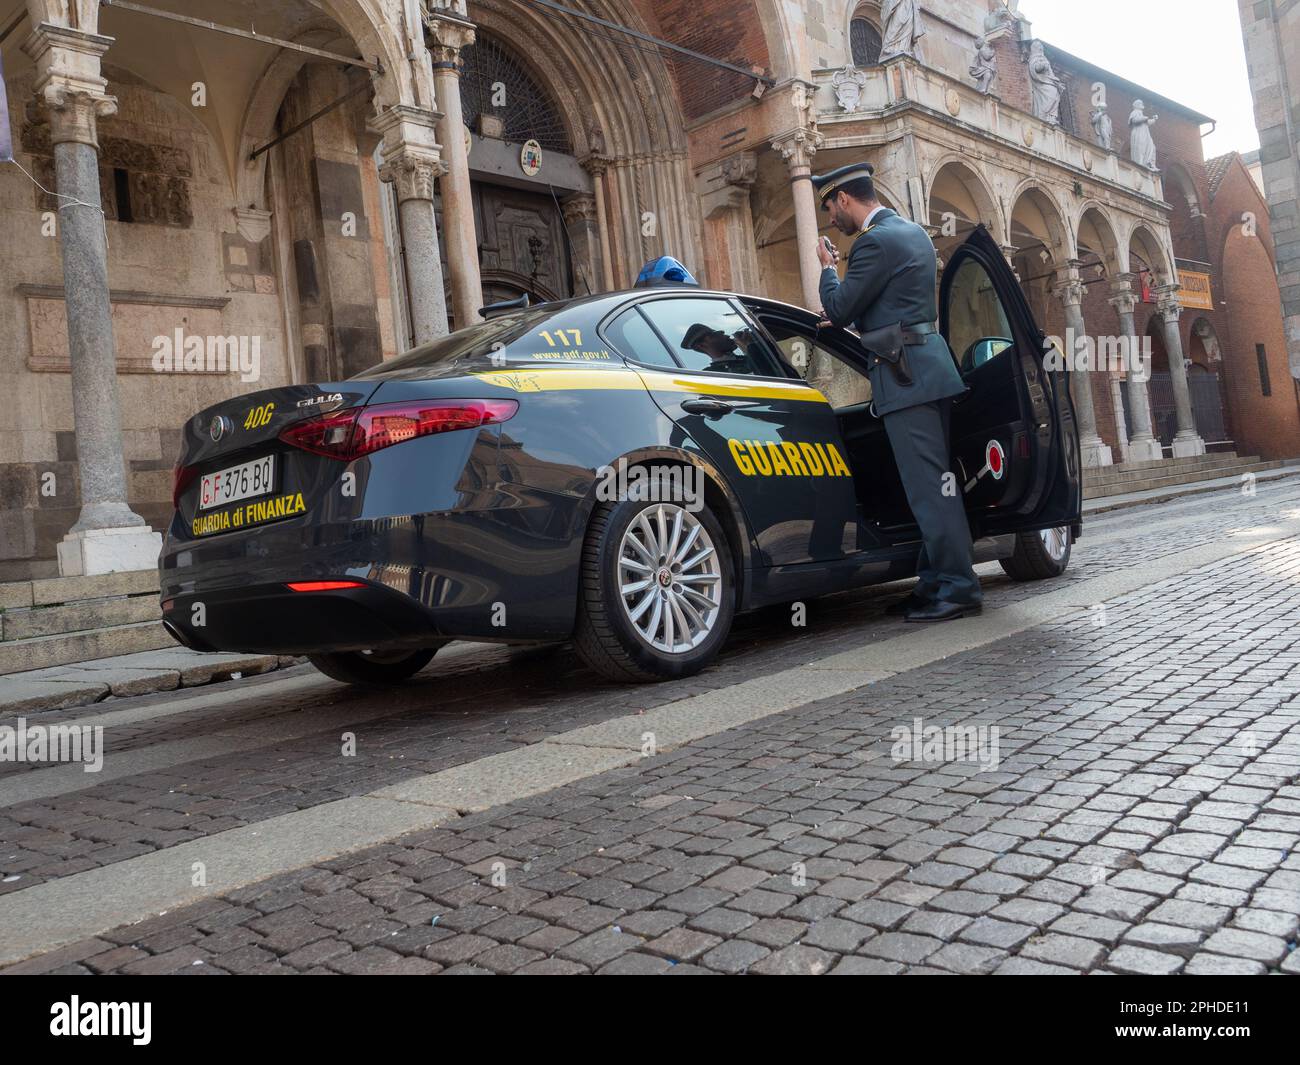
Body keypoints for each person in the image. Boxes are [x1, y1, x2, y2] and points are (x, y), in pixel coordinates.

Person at [813, 162, 982, 622]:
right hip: (926, 370)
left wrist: (829, 269)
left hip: (905, 378)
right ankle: (933, 584)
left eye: (830, 207)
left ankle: (959, 588)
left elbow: (839, 307)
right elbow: (889, 306)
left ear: (845, 199)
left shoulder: (872, 243)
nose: (831, 218)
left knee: (931, 492)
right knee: (932, 486)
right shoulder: (911, 233)